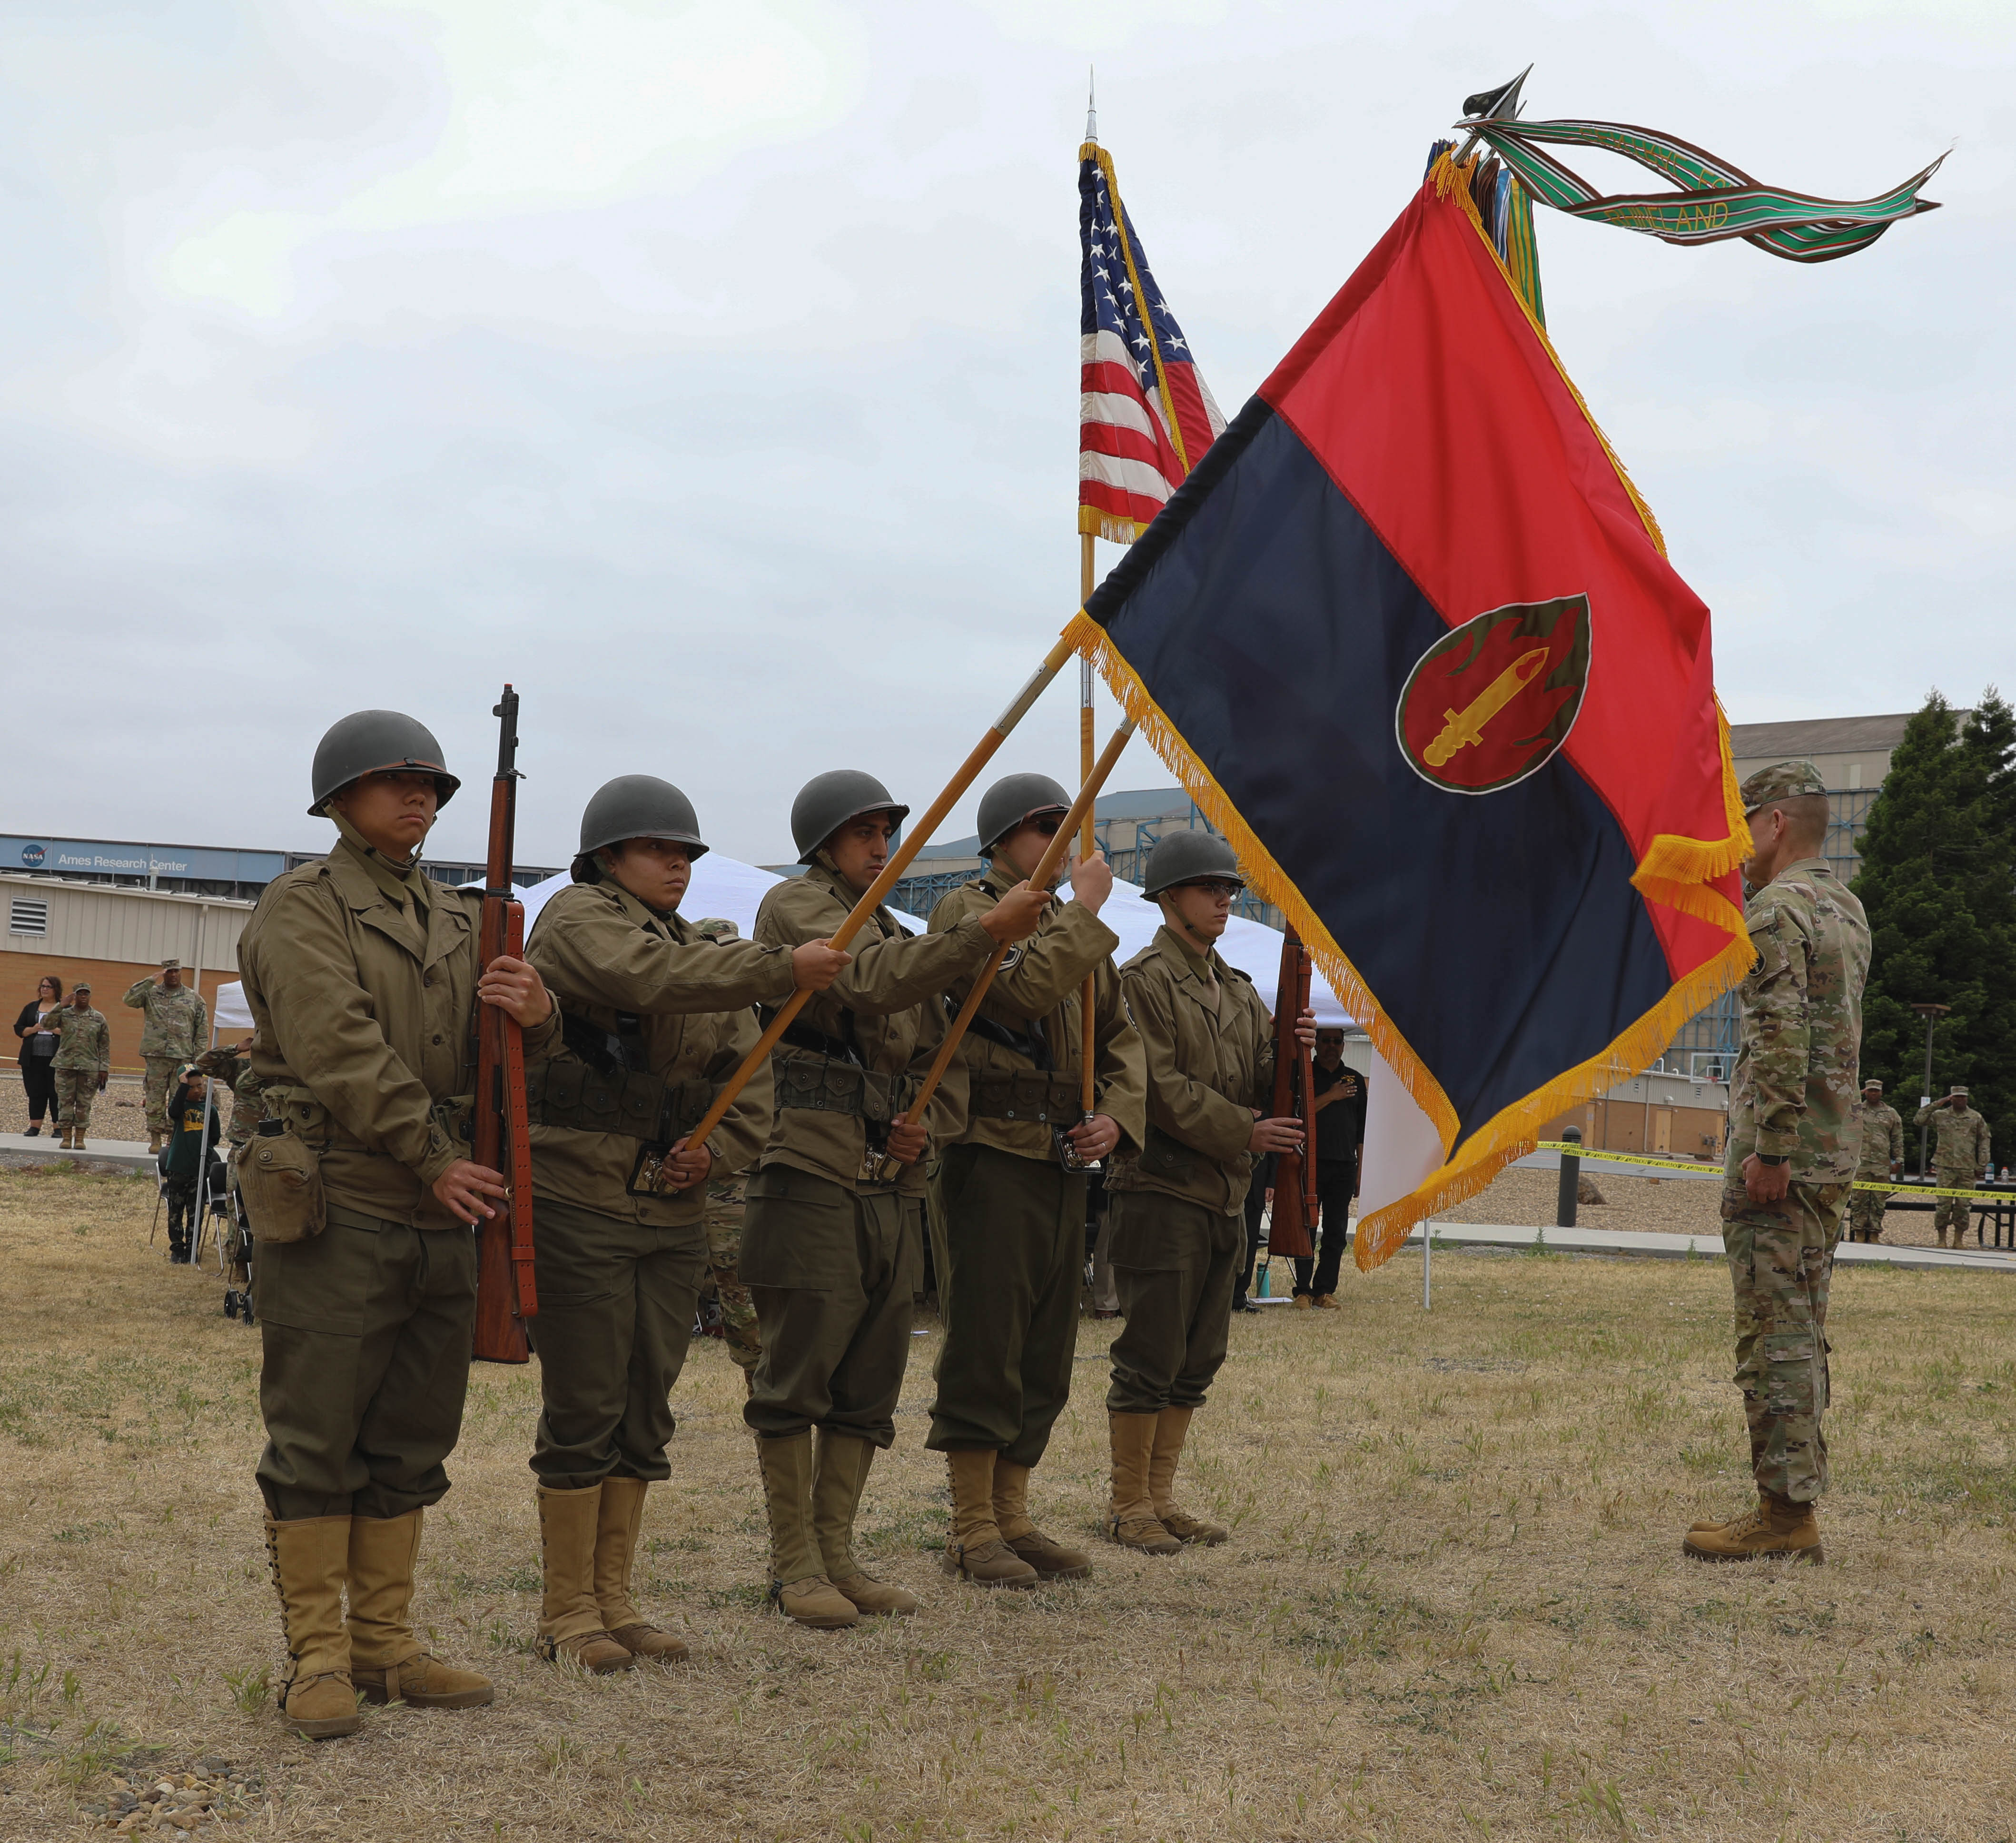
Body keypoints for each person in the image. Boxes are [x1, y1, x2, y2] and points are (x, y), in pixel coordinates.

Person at [237, 709, 559, 1739]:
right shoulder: (303, 904)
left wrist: (539, 1014)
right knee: (318, 1433)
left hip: (439, 1205)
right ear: (339, 799)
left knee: (413, 1434)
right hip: (344, 1197)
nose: (419, 795)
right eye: (394, 780)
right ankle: (318, 1658)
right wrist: (433, 1154)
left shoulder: (462, 918)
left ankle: (383, 1643)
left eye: (432, 784)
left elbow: (497, 1060)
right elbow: (336, 1045)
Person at [521, 775, 847, 1672]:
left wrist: (718, 1153)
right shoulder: (578, 917)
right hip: (580, 1195)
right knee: (586, 1401)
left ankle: (616, 1600)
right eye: (658, 850)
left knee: (644, 1403)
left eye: (686, 853)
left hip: (670, 1206)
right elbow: (647, 979)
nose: (678, 865)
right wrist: (780, 967)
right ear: (607, 857)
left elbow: (749, 1080)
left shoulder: (702, 950)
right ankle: (567, 1611)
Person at [744, 771, 1047, 1628]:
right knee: (799, 1372)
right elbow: (869, 983)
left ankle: (838, 1554)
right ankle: (793, 1562)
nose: (882, 847)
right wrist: (983, 931)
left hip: (887, 1177)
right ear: (823, 843)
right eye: (863, 833)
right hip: (809, 1165)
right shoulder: (797, 907)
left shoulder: (896, 929)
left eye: (887, 832)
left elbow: (939, 1057)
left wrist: (927, 1125)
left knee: (870, 1377)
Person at [925, 773, 1146, 1590]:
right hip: (990, 1149)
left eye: (1067, 827)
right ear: (1001, 839)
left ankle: (1013, 1513)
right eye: (1044, 827)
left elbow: (1123, 1039)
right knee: (987, 1339)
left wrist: (1116, 1115)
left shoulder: (1071, 927)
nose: (1060, 842)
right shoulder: (968, 910)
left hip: (1062, 1155)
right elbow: (1017, 992)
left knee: (1045, 1348)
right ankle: (972, 1525)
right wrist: (1084, 910)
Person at [1104, 833, 1314, 1553]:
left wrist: (1292, 1048)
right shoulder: (1143, 980)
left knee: (1199, 1356)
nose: (1225, 899)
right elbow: (1157, 1087)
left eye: (1229, 889)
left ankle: (1161, 1498)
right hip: (1161, 1188)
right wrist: (1245, 1131)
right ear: (1169, 898)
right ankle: (1129, 1503)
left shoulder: (1239, 988)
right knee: (1151, 1351)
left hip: (1223, 1193)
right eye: (1208, 888)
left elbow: (1259, 1078)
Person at [1685, 762, 1868, 1566]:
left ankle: (1785, 1515)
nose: (1735, 844)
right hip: (1830, 1156)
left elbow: (1782, 1035)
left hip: (1784, 1165)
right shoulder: (1846, 908)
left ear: (1774, 823)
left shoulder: (1775, 911)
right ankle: (1791, 1501)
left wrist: (1770, 1149)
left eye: (1742, 824)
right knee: (1803, 1327)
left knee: (1774, 1335)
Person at [1293, 1028, 1365, 1309]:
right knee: (1307, 1229)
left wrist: (1360, 1171)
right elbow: (1298, 1114)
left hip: (1345, 1166)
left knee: (1336, 1231)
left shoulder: (1355, 1080)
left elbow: (1362, 1131)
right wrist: (1332, 1096)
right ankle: (1303, 1291)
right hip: (1310, 1164)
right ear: (1316, 1045)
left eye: (1337, 1041)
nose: (1332, 1046)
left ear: (1344, 1046)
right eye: (1326, 1041)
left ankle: (1324, 1291)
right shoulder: (1304, 1076)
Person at [125, 960, 209, 1155]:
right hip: (156, 1057)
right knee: (154, 1097)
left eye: (176, 971)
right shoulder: (151, 993)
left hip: (182, 1057)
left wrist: (197, 1060)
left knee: (178, 1098)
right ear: (164, 973)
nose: (173, 975)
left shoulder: (194, 998)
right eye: (169, 972)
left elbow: (202, 1030)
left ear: (181, 972)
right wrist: (149, 981)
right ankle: (155, 1137)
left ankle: (173, 1138)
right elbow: (129, 1000)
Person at [1913, 1087, 1992, 1248]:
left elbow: (1984, 1140)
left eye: (1963, 1097)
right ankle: (1942, 1239)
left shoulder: (1975, 1117)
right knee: (1943, 1204)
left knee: (1963, 1205)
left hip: (1967, 1167)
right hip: (1945, 1166)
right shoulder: (1941, 1115)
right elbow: (1919, 1119)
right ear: (1951, 1098)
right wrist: (1939, 1103)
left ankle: (1958, 1240)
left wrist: (1982, 1164)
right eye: (1957, 1097)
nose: (1961, 1100)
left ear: (1967, 1098)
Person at [46, 981, 110, 1150]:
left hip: (89, 1068)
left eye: (86, 994)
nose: (83, 996)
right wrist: (60, 1006)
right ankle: (66, 1137)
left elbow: (104, 1046)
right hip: (65, 1066)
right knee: (65, 1103)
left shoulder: (98, 1018)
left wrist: (104, 1068)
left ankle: (80, 1138)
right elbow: (46, 1024)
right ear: (74, 996)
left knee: (84, 1104)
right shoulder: (65, 1014)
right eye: (80, 993)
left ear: (90, 996)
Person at [158, 1065, 212, 1264]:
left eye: (200, 1085)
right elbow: (173, 1112)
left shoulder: (210, 1110)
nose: (197, 1090)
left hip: (198, 1169)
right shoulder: (180, 1107)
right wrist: (182, 1087)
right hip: (178, 1168)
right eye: (191, 1087)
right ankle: (177, 1248)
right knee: (176, 1211)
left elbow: (214, 1137)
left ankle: (191, 1248)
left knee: (196, 1212)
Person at [1846, 1079, 1902, 1243]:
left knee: (1878, 1201)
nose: (1873, 1094)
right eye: (1870, 1091)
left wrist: (1899, 1160)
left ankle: (1875, 1234)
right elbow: (1840, 1108)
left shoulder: (1891, 1113)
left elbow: (1897, 1139)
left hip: (1881, 1164)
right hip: (1859, 1163)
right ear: (1866, 1092)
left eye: (1876, 1091)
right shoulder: (1855, 1109)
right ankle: (1859, 1233)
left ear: (1881, 1092)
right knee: (1859, 1200)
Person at [12, 973, 64, 1136]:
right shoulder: (31, 1007)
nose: (44, 989)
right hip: (32, 1058)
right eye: (43, 986)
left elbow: (73, 1032)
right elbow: (19, 1029)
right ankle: (35, 1127)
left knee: (56, 1093)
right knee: (35, 1092)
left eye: (48, 987)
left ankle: (58, 1128)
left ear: (56, 989)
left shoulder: (64, 1009)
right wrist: (33, 1029)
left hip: (57, 1059)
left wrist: (55, 1030)